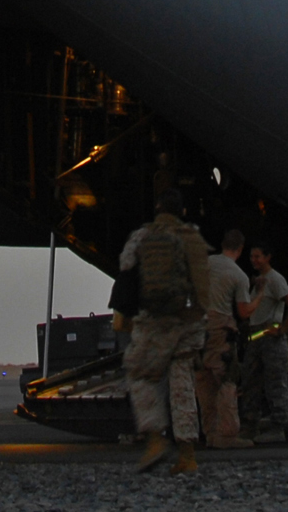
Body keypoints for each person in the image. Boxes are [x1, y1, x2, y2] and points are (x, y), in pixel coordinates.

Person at [117, 188, 209, 474]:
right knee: (182, 386)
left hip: (153, 324)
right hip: (187, 324)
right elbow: (204, 289)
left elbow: (125, 272)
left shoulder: (142, 237)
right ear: (182, 211)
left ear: (157, 210)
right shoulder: (193, 237)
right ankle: (188, 456)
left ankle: (155, 438)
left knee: (140, 374)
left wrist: (124, 318)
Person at [197, 229, 255, 450]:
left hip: (198, 329)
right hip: (221, 329)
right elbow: (243, 311)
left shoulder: (205, 264)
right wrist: (259, 296)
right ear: (240, 250)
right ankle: (228, 435)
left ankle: (210, 432)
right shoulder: (238, 275)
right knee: (226, 381)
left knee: (204, 382)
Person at [240, 240, 288, 443]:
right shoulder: (258, 281)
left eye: (258, 256)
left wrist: (283, 329)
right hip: (255, 337)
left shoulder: (275, 279)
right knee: (250, 382)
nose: (254, 260)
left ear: (267, 257)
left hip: (270, 338)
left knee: (275, 382)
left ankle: (278, 426)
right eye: (251, 257)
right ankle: (250, 425)